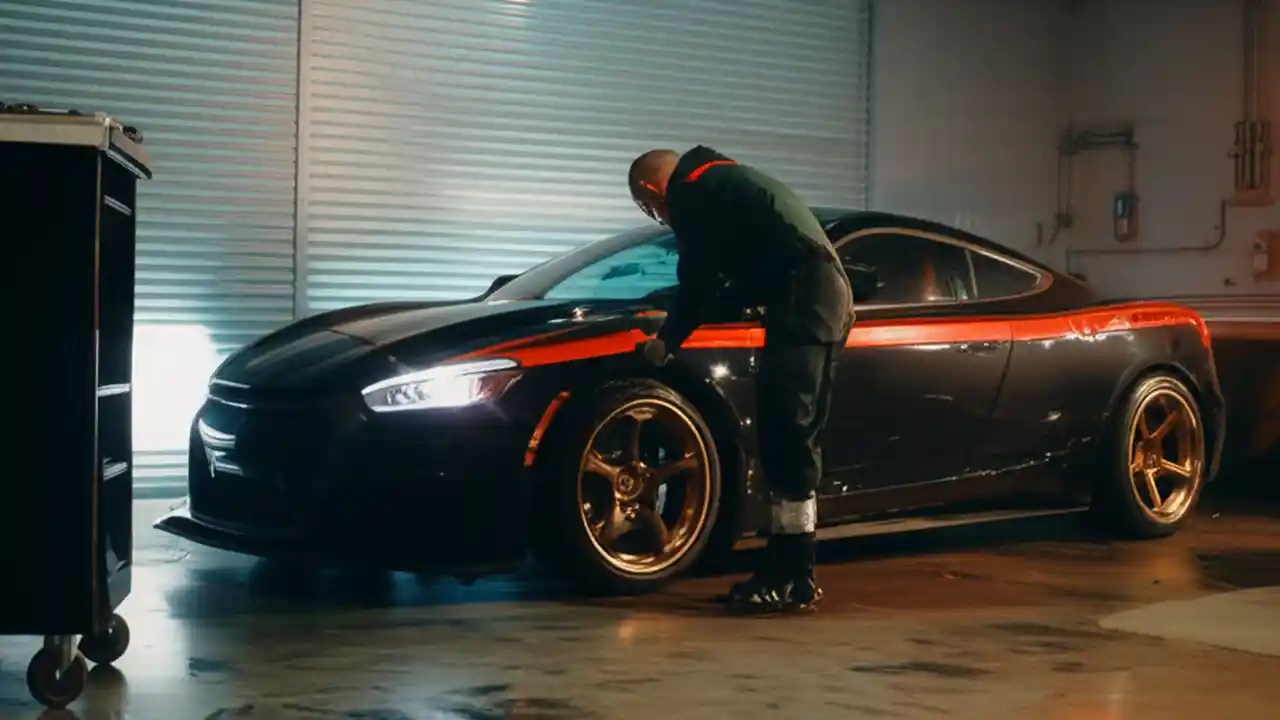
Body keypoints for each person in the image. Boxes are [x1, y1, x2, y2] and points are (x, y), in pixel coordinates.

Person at [628, 146, 855, 614]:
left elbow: (699, 280)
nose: (659, 218)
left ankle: (791, 576)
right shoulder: (727, 181)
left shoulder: (694, 190)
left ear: (654, 191)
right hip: (821, 302)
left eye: (649, 209)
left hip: (803, 305)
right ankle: (792, 571)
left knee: (786, 437)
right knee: (794, 437)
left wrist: (665, 341)